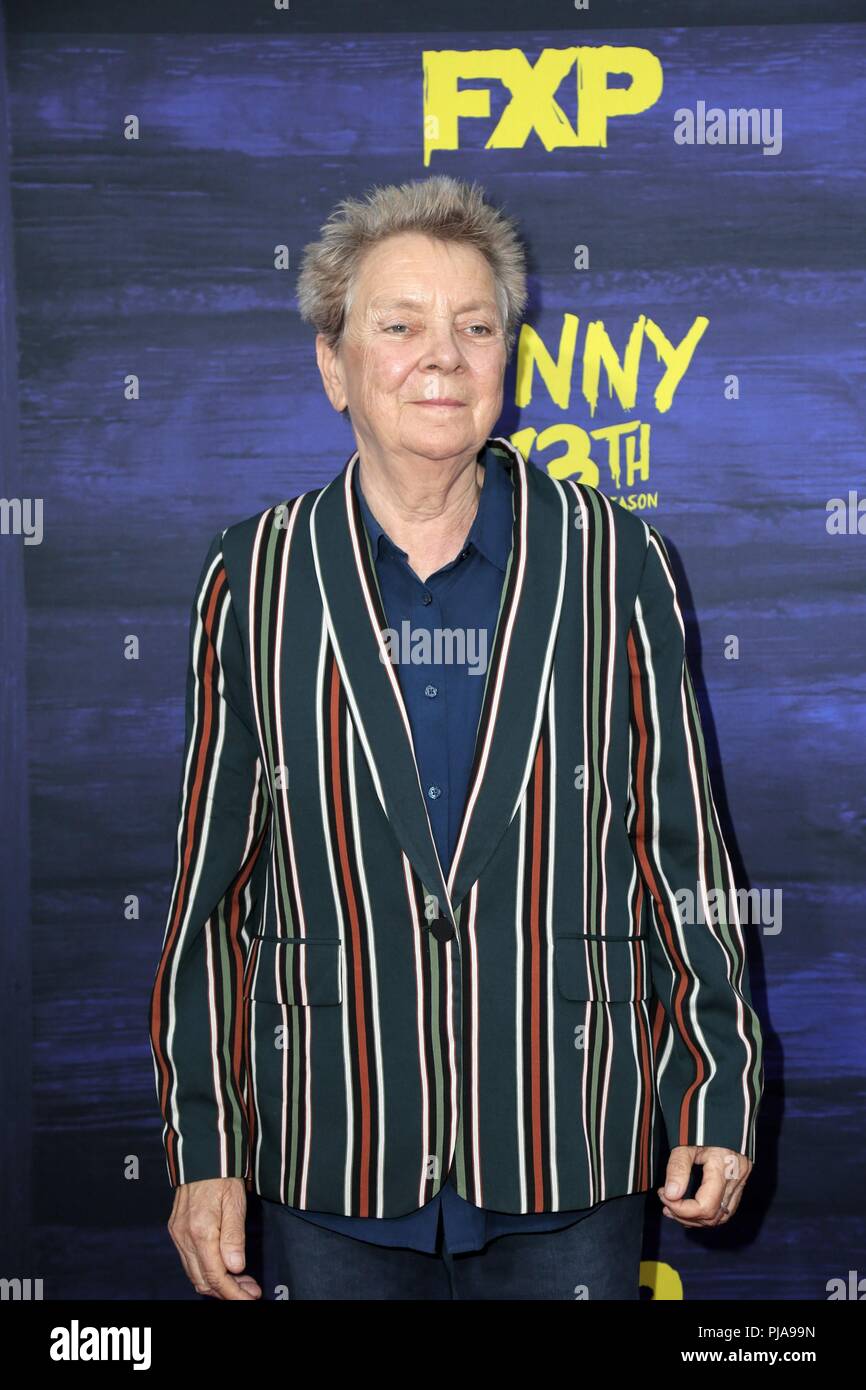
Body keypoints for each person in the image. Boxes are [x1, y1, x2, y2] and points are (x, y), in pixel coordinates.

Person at [148, 174, 764, 1301]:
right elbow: (210, 898)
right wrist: (205, 1146)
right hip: (331, 1144)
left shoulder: (612, 560)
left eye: (475, 327)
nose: (443, 355)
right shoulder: (255, 576)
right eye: (400, 325)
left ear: (506, 361)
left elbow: (685, 860)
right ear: (331, 366)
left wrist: (717, 1091)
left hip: (566, 1142)